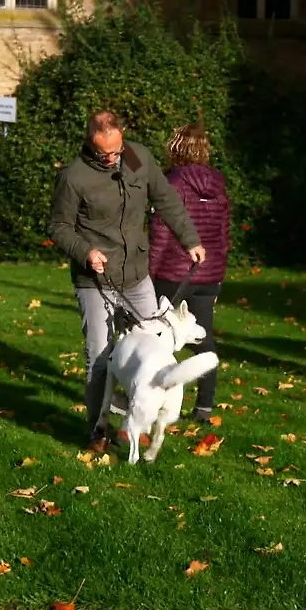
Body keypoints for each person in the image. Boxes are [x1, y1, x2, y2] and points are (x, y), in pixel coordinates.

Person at [47, 110, 206, 449]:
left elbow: (166, 199)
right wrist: (86, 251)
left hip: (135, 274)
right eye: (104, 153)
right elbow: (58, 227)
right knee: (101, 356)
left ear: (123, 138)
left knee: (155, 349)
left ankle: (132, 424)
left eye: (116, 150)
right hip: (95, 279)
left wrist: (189, 239)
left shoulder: (135, 156)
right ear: (90, 143)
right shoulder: (74, 176)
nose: (112, 159)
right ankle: (97, 431)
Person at [149, 122, 230, 423]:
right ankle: (204, 407)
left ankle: (152, 400)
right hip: (207, 276)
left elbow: (161, 234)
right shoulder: (218, 186)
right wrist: (218, 276)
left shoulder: (171, 182)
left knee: (155, 339)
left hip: (173, 273)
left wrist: (149, 273)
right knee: (204, 342)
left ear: (175, 148)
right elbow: (222, 235)